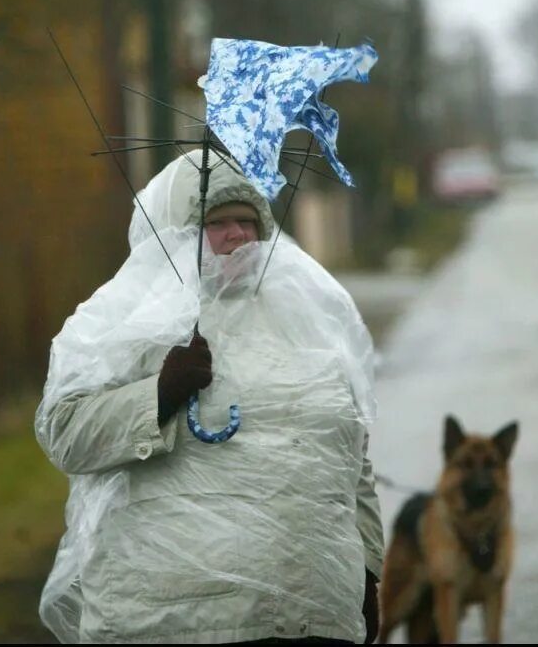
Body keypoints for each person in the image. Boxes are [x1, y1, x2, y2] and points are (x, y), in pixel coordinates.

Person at [35, 149, 384, 644]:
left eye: (246, 221)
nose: (237, 235)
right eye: (216, 222)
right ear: (174, 234)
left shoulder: (309, 321)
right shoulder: (122, 320)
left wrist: (367, 568)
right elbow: (65, 433)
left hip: (310, 614)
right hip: (176, 623)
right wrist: (158, 394)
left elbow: (352, 456)